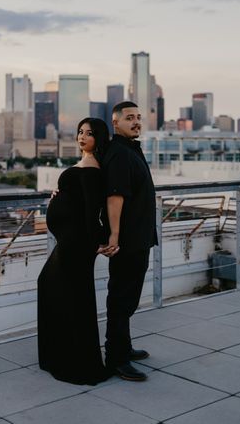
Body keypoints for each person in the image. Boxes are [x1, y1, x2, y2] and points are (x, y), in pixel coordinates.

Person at [37, 117, 111, 385]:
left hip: (77, 243)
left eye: (89, 134)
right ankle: (61, 356)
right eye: (80, 132)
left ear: (99, 138)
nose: (82, 137)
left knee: (71, 296)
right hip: (70, 240)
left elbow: (93, 211)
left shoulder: (92, 169)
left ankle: (76, 362)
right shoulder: (85, 165)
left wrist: (98, 241)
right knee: (60, 290)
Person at [99, 101, 158, 382]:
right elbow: (115, 196)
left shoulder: (130, 149)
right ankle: (116, 358)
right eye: (129, 118)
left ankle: (123, 347)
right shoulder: (120, 154)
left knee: (128, 298)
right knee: (121, 299)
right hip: (128, 241)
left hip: (139, 237)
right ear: (116, 122)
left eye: (138, 117)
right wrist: (114, 235)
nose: (136, 122)